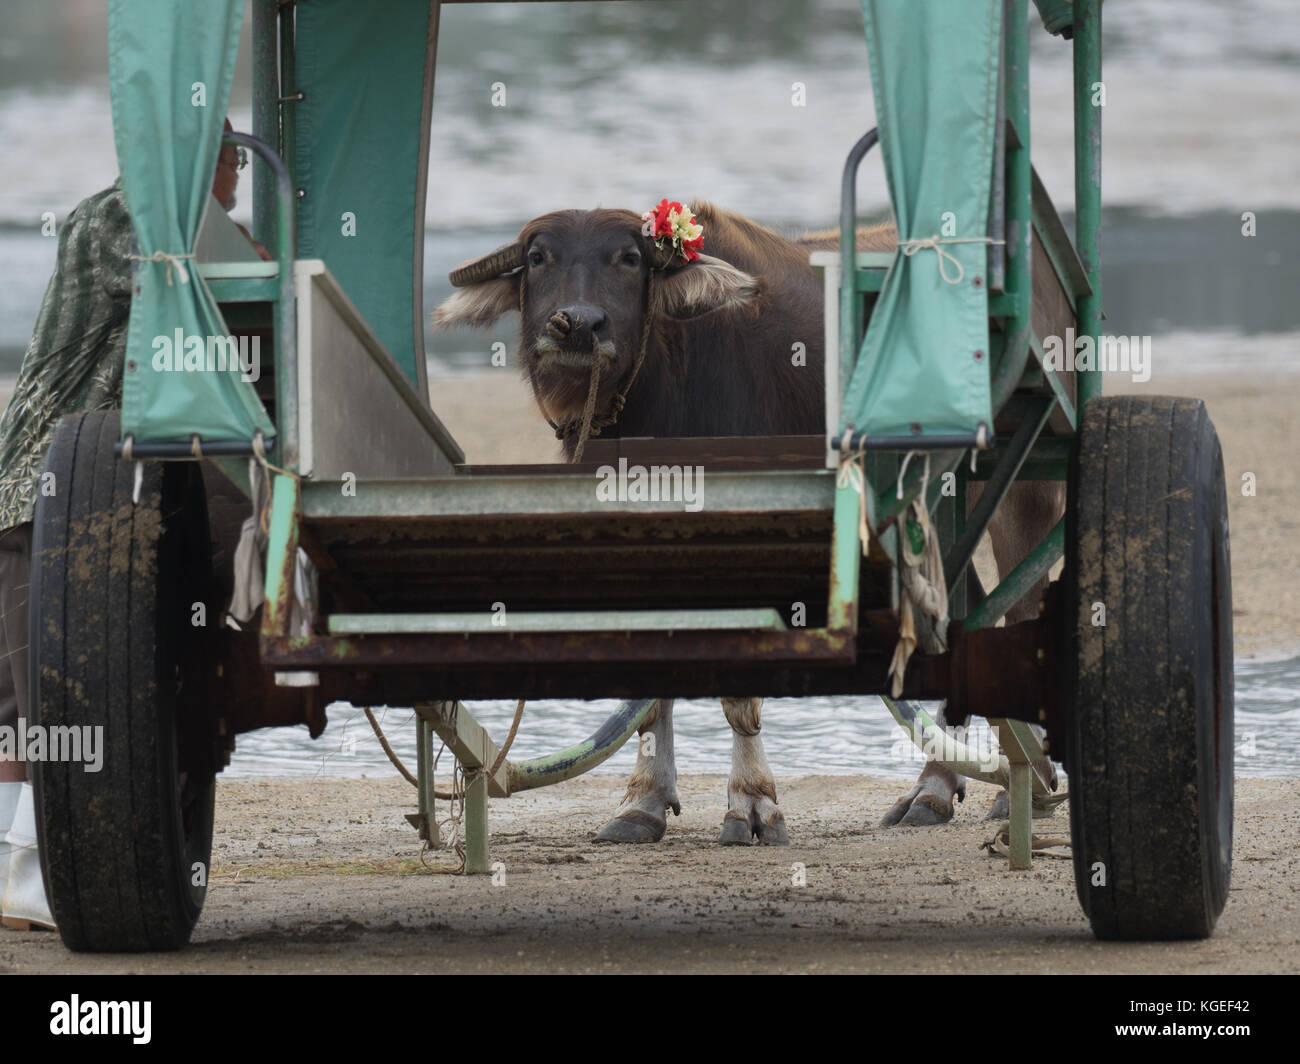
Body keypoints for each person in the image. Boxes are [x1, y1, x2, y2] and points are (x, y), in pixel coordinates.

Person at [0, 121, 267, 930]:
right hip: (44, 491)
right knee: (34, 700)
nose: (237, 178)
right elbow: (220, 284)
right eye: (231, 161)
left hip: (80, 492)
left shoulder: (168, 227)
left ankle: (19, 873)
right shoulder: (118, 218)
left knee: (21, 700)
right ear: (194, 160)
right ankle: (20, 873)